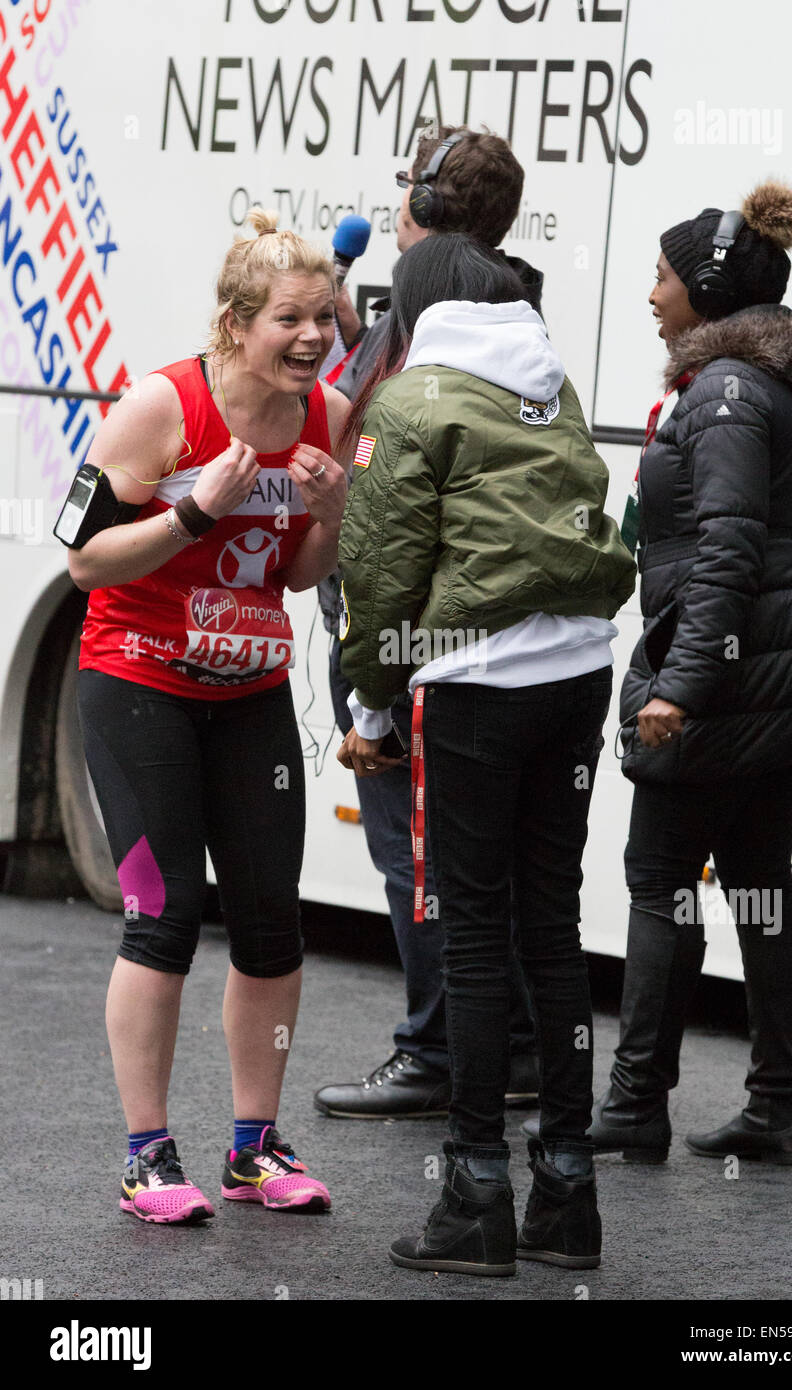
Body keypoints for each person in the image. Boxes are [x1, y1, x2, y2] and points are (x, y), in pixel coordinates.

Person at [336, 233, 636, 1275]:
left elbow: (376, 579)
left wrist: (370, 713)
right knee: (550, 927)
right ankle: (564, 1191)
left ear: (414, 307)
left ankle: (473, 1194)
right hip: (577, 673)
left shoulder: (410, 402)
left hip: (471, 687)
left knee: (468, 932)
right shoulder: (547, 388)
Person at [68, 208, 351, 1222]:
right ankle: (147, 1154)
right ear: (235, 324)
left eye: (324, 317)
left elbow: (305, 573)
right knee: (164, 908)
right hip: (136, 684)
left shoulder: (324, 415)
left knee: (273, 914)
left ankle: (252, 1146)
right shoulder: (162, 407)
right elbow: (82, 561)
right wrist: (191, 510)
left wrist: (324, 515)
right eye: (290, 320)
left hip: (249, 695)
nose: (314, 338)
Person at [587, 180, 792, 1166]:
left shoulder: (727, 392)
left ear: (702, 285)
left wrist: (678, 686)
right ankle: (777, 1106)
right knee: (755, 880)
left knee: (658, 876)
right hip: (769, 676)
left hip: (731, 680)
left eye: (660, 275)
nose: (649, 293)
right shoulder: (740, 383)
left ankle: (633, 1103)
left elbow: (726, 552)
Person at [315, 125, 543, 1120]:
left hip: (407, 639)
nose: (399, 200)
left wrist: (370, 690)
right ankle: (513, 1048)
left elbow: (393, 490)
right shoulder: (497, 303)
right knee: (462, 862)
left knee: (417, 862)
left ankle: (433, 1051)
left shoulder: (438, 307)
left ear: (433, 208)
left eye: (410, 185)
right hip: (448, 636)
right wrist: (334, 338)